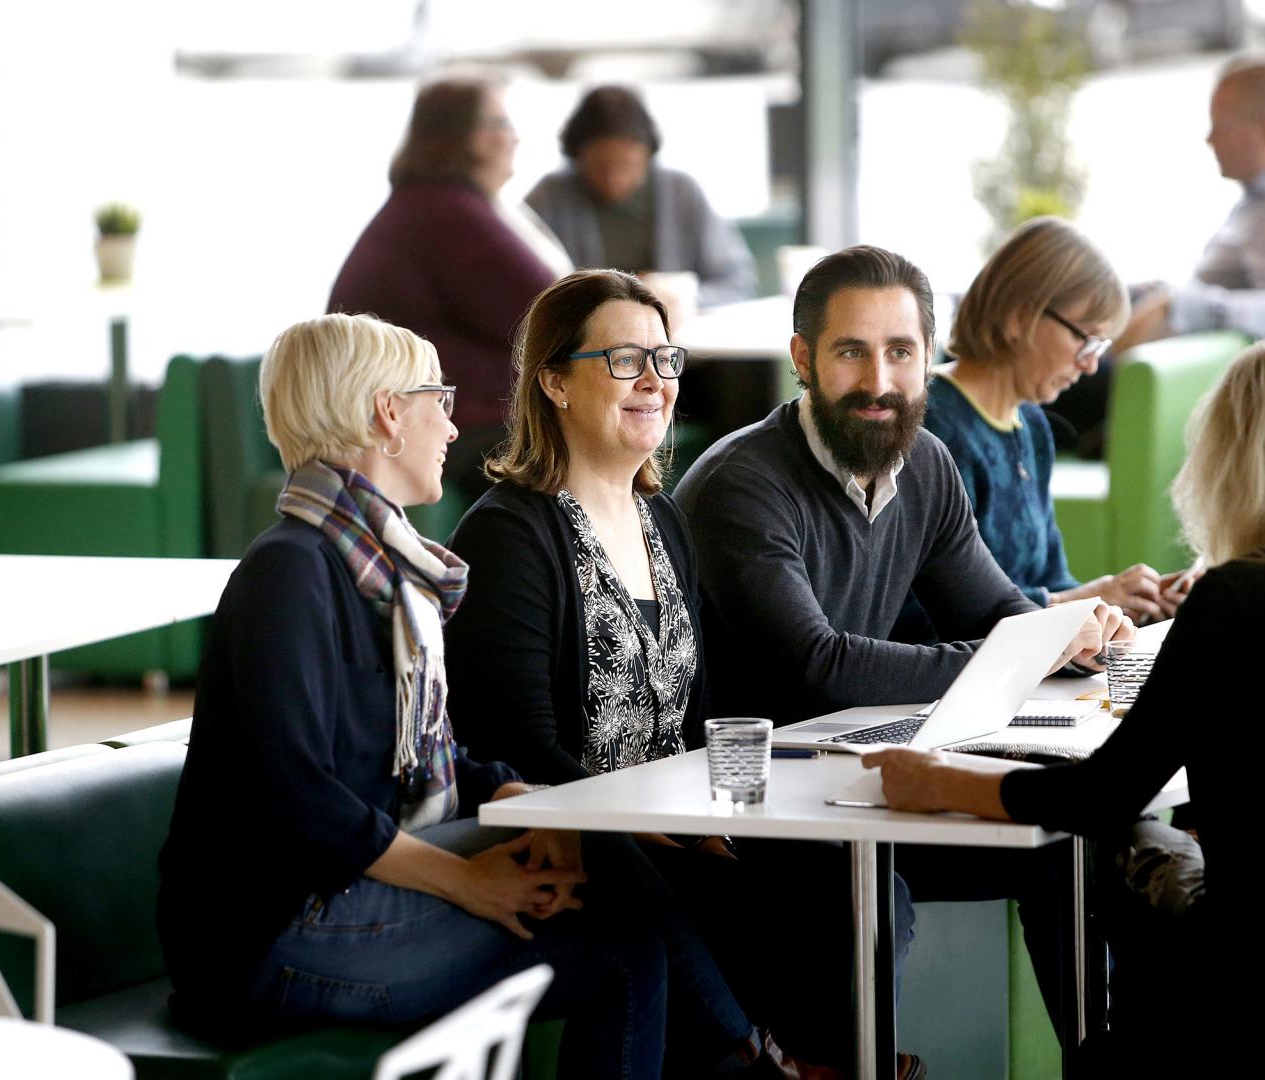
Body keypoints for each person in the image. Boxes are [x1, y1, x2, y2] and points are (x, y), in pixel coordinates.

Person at [157, 312, 827, 1079]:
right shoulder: (291, 570)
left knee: (610, 892)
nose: (452, 425)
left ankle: (755, 1058)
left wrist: (526, 800)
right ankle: (757, 1063)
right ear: (387, 413)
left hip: (334, 893)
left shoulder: (382, 571)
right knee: (621, 947)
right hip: (268, 932)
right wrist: (469, 882)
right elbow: (297, 798)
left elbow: (422, 758)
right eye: (437, 400)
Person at [865, 337, 1265, 1070]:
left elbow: (1103, 796)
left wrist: (938, 781)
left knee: (1102, 859)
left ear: (1230, 455)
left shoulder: (1245, 594)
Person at [441, 269, 920, 1078]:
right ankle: (765, 1065)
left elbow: (697, 718)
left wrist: (714, 822)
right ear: (554, 381)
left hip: (674, 820)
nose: (655, 382)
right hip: (579, 835)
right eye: (624, 360)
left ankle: (821, 1059)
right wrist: (666, 829)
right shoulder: (511, 535)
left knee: (860, 882)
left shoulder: (661, 518)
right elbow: (516, 745)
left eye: (665, 360)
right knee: (726, 902)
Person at [674, 244, 1132, 1044]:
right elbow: (818, 668)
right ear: (803, 360)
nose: (880, 381)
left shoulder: (925, 463)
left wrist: (1081, 636)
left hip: (856, 783)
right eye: (852, 352)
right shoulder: (743, 484)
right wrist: (1022, 653)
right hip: (749, 810)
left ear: (928, 357)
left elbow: (997, 610)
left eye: (901, 352)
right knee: (870, 902)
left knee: (1071, 847)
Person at [1052, 55, 1265, 455]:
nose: (1210, 139)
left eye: (1221, 126)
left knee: (1026, 368)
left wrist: (1183, 304)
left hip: (1165, 379)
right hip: (1162, 369)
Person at [915, 216, 1191, 625]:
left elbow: (1052, 579)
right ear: (1019, 317)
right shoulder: (933, 426)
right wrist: (1086, 599)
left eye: (1099, 346)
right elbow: (934, 612)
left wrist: (1124, 606)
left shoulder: (1031, 426)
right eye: (1085, 338)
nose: (1091, 364)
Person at [328, 77, 564, 497]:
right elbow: (562, 316)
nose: (515, 137)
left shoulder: (434, 204)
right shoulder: (447, 212)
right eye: (501, 123)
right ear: (465, 136)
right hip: (420, 425)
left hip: (417, 415)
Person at [526, 85, 758, 314]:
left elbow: (737, 281)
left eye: (627, 165)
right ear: (577, 158)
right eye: (599, 166)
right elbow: (524, 293)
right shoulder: (548, 198)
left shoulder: (682, 193)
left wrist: (685, 300)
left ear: (648, 155)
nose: (614, 180)